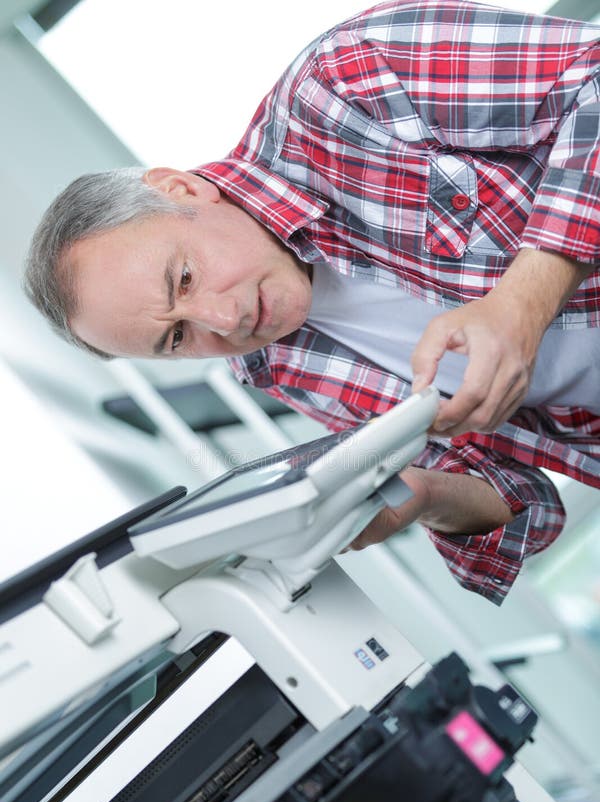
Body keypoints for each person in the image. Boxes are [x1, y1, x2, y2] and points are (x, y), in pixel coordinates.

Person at [24, 0, 599, 605]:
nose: (227, 322)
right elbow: (525, 502)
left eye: (185, 279)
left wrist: (522, 303)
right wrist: (418, 499)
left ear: (183, 188)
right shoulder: (276, 364)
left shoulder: (346, 79)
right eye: (177, 338)